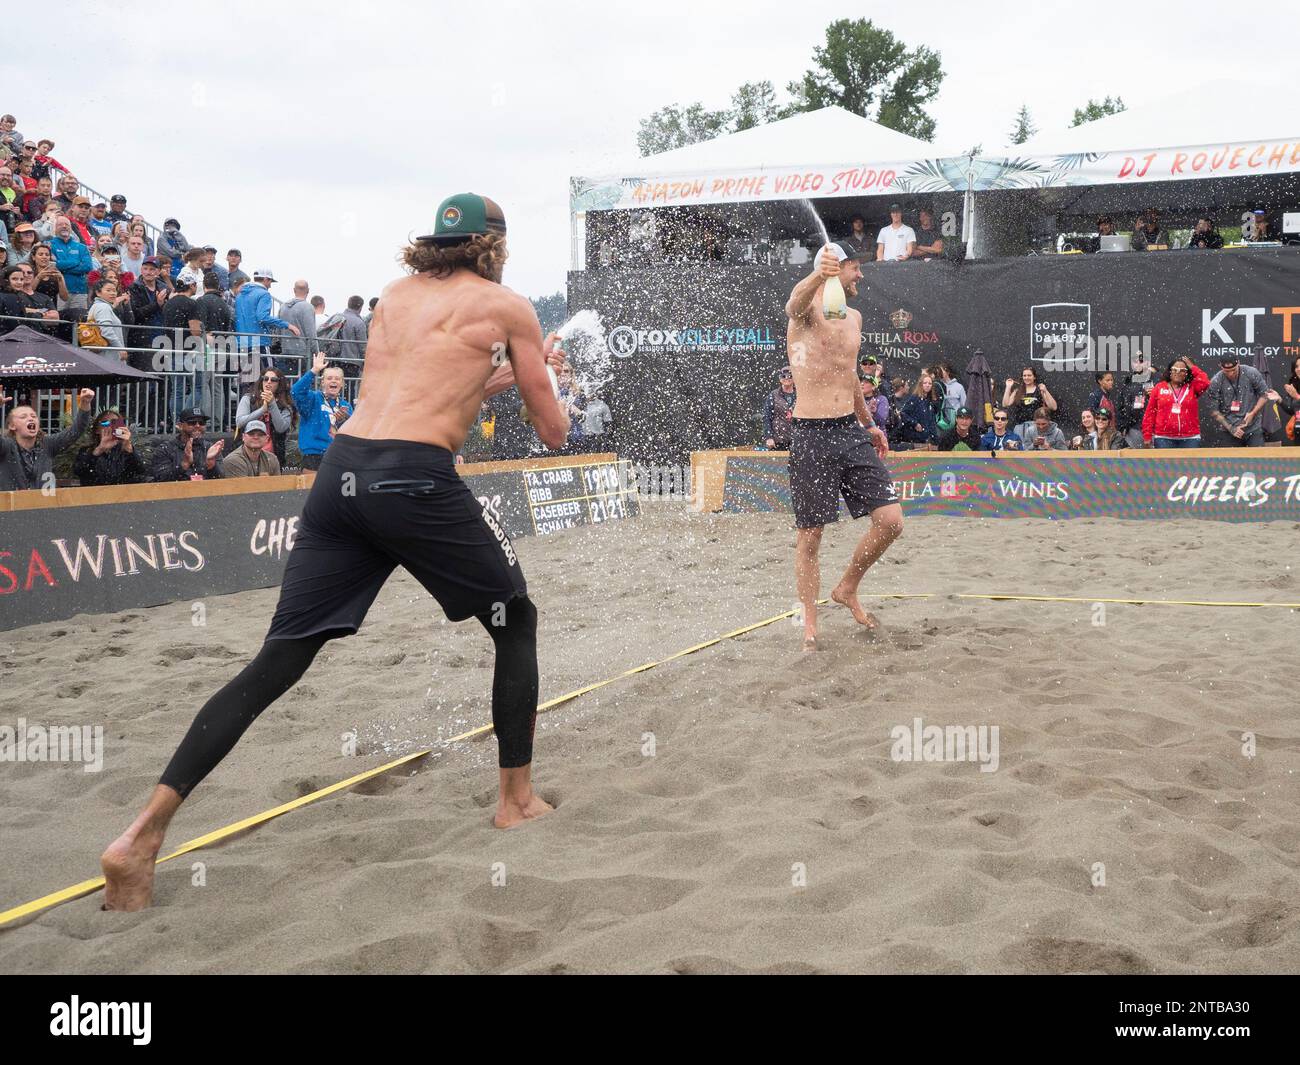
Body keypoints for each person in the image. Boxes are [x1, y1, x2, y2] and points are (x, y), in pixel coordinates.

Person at [101, 193, 571, 910]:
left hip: (343, 475)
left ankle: (140, 836)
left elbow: (429, 386)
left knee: (277, 659)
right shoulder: (508, 308)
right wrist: (546, 373)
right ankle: (515, 799)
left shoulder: (393, 295)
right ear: (494, 248)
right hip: (415, 479)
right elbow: (554, 433)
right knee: (518, 622)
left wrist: (504, 373)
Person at [783, 240, 900, 649]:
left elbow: (849, 375)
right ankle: (811, 625)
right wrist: (821, 272)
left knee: (890, 520)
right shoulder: (804, 315)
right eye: (855, 268)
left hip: (849, 429)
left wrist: (869, 424)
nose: (861, 276)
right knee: (810, 534)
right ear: (836, 269)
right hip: (811, 433)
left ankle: (847, 587)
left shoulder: (854, 317)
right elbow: (794, 302)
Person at [0, 388, 93, 491]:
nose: (30, 418)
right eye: (23, 417)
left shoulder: (47, 444)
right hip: (11, 505)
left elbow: (76, 431)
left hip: (44, 505)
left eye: (34, 416)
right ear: (12, 426)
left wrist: (85, 402)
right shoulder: (6, 446)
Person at [291, 352, 354, 469]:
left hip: (338, 455)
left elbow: (352, 433)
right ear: (323, 382)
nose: (333, 381)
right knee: (310, 487)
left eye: (337, 379)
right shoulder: (313, 398)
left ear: (342, 383)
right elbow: (296, 392)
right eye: (329, 378)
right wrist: (314, 371)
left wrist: (344, 421)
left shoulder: (346, 406)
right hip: (314, 454)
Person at [235, 267, 298, 367]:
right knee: (269, 373)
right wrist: (287, 325)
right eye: (270, 282)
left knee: (247, 377)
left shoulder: (239, 296)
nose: (270, 286)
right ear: (265, 279)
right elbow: (262, 317)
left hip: (241, 342)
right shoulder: (264, 294)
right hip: (259, 341)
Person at [1142, 356, 1210, 448]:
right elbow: (1150, 413)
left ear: (1186, 373)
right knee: (1165, 463)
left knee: (1189, 463)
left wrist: (1193, 367)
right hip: (1164, 437)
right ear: (1170, 371)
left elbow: (1205, 382)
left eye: (1182, 370)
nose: (1178, 372)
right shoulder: (1159, 388)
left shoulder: (1192, 387)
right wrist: (1147, 435)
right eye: (1175, 369)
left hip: (1190, 438)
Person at [236, 366, 295, 465]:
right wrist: (262, 410)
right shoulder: (249, 398)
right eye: (265, 379)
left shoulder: (285, 405)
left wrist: (272, 404)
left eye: (274, 380)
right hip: (247, 454)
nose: (268, 382)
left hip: (273, 456)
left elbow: (281, 428)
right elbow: (240, 422)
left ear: (279, 384)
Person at [1206, 356, 1269, 447]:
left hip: (1253, 427)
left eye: (1234, 370)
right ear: (1220, 366)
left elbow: (1265, 394)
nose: (1231, 374)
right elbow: (1214, 411)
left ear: (1238, 363)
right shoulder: (1216, 381)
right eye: (1227, 371)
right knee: (1230, 461)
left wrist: (1253, 413)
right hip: (1228, 430)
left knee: (1258, 460)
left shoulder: (1251, 373)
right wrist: (1231, 428)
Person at [149, 406, 225, 480]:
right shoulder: (165, 449)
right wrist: (184, 465)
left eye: (202, 423)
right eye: (192, 422)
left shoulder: (210, 448)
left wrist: (211, 464)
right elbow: (160, 479)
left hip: (206, 491)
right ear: (180, 426)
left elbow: (221, 480)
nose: (197, 425)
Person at [73, 409, 146, 485]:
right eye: (105, 423)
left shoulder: (125, 451)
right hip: (93, 495)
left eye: (115, 423)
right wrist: (98, 450)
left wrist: (129, 448)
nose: (111, 426)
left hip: (122, 495)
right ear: (97, 430)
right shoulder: (87, 451)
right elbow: (79, 471)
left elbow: (141, 470)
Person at [1119, 351, 1156, 448]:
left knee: (1155, 461)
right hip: (1133, 430)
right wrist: (1123, 426)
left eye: (1141, 361)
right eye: (1135, 361)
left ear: (1148, 363)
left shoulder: (1157, 379)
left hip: (1154, 429)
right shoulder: (1128, 382)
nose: (1138, 363)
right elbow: (1122, 406)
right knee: (1134, 462)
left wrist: (1154, 396)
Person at [1002, 366, 1057, 432]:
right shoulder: (1017, 390)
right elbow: (1005, 404)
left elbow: (1054, 407)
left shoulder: (1040, 389)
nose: (1026, 377)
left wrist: (1045, 391)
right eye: (1024, 376)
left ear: (1034, 377)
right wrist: (1008, 387)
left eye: (1029, 375)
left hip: (1037, 426)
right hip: (1020, 426)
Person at [897, 371, 942, 449]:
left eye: (930, 383)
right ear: (921, 384)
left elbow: (931, 422)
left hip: (928, 439)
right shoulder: (914, 398)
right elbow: (903, 414)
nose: (927, 385)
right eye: (925, 383)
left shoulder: (931, 401)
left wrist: (935, 438)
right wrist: (915, 424)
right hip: (915, 439)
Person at [86, 279, 128, 362]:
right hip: (107, 356)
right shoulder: (103, 307)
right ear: (98, 293)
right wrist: (121, 349)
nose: (112, 293)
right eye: (108, 290)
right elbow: (107, 331)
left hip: (100, 355)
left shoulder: (98, 306)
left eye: (114, 290)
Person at [762, 365, 797, 449]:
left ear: (794, 378)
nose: (787, 378)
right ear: (780, 378)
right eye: (783, 376)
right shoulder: (773, 395)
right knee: (778, 462)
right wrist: (769, 437)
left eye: (790, 376)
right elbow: (767, 417)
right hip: (778, 441)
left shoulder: (800, 395)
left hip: (797, 440)